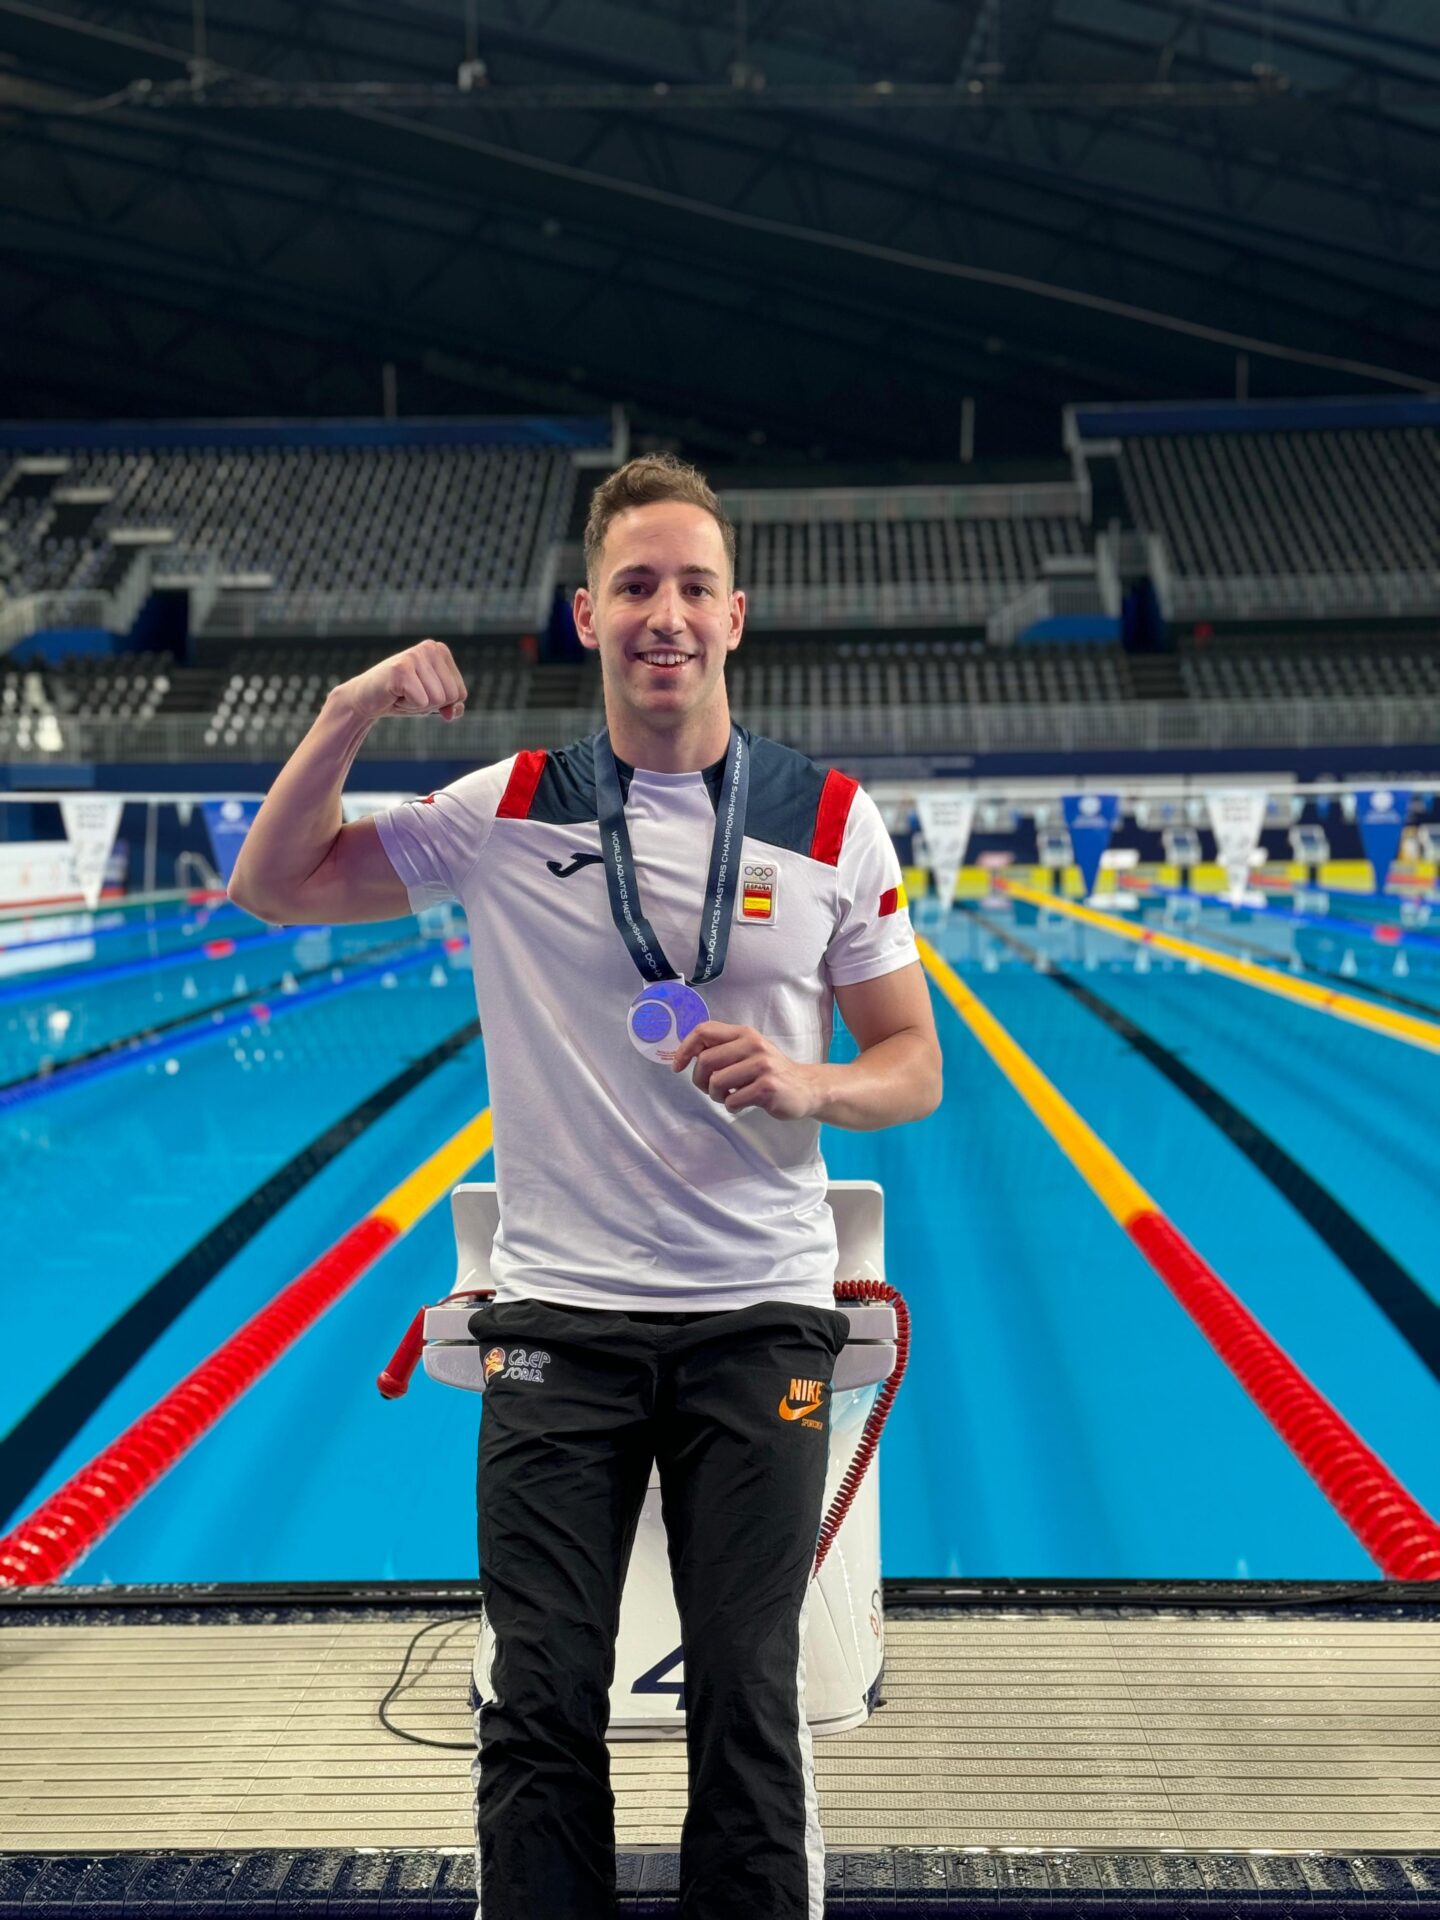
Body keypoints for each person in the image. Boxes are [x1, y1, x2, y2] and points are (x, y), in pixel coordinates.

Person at [228, 452, 942, 1920]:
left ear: (735, 615)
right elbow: (275, 882)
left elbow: (914, 1065)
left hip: (760, 1320)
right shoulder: (510, 808)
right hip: (561, 1321)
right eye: (633, 587)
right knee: (539, 1697)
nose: (662, 613)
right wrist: (350, 711)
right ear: (586, 617)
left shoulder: (829, 819)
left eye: (690, 586)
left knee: (748, 1702)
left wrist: (813, 1085)